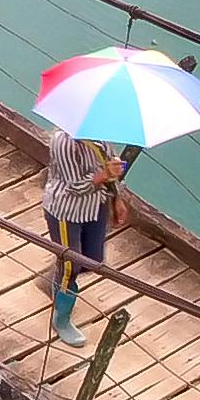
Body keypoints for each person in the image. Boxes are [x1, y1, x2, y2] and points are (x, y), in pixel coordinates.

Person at [44, 124, 126, 343]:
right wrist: (103, 175)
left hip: (94, 206)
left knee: (93, 260)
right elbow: (74, 187)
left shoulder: (100, 138)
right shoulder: (64, 142)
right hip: (66, 210)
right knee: (72, 264)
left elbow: (111, 169)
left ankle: (57, 281)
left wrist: (117, 197)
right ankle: (61, 319)